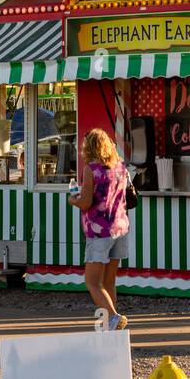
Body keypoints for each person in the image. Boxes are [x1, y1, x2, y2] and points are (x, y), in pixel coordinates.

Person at [68, 128, 129, 332]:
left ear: (89, 147)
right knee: (109, 280)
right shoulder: (120, 167)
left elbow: (85, 203)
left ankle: (112, 316)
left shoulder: (91, 169)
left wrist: (72, 199)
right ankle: (109, 323)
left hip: (98, 232)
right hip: (119, 228)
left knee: (92, 282)